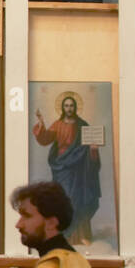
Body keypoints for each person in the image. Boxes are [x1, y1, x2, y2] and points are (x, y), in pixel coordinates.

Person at [33, 94, 101, 246]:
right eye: (66, 106)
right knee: (63, 199)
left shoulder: (83, 125)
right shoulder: (57, 125)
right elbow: (45, 139)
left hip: (79, 169)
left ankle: (80, 235)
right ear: (62, 108)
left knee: (78, 199)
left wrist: (93, 150)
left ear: (75, 107)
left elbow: (90, 147)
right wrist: (41, 123)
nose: (69, 108)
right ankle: (63, 234)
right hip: (61, 168)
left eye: (71, 105)